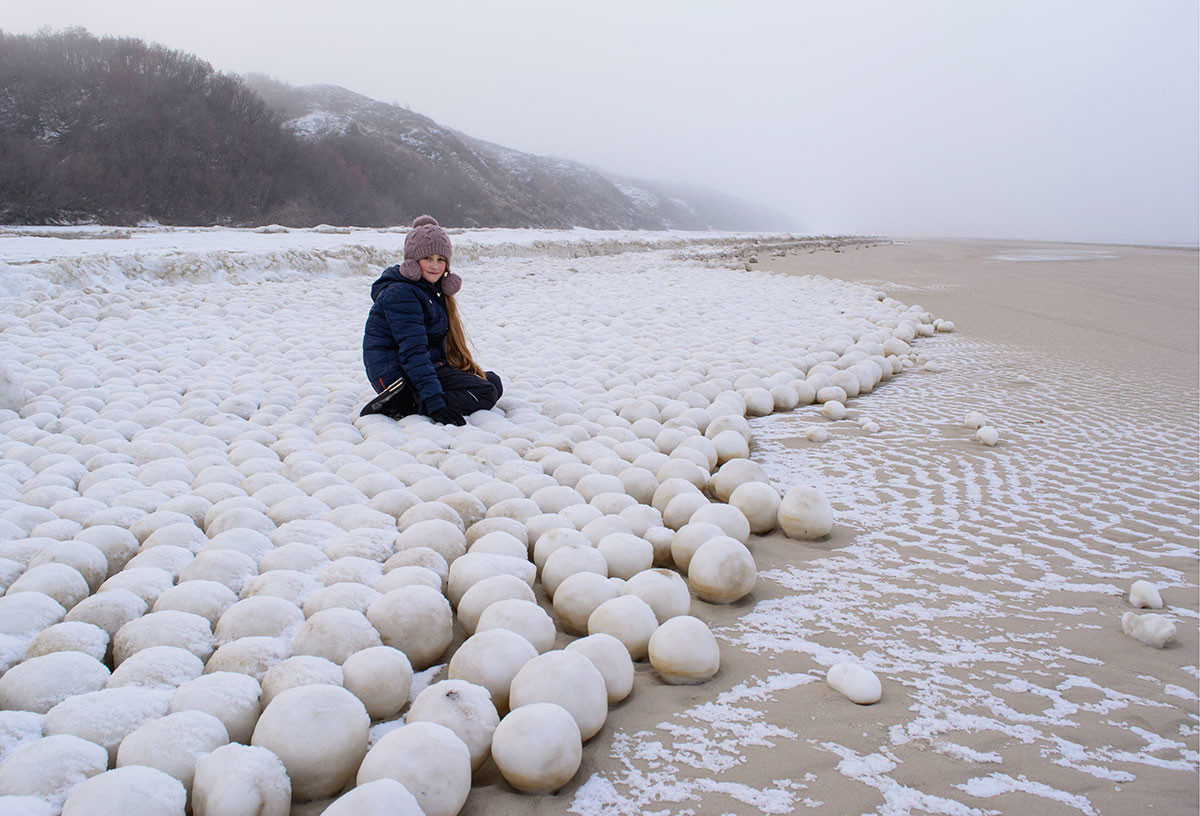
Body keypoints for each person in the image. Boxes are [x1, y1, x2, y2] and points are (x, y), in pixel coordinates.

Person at [362, 215, 502, 426]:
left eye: (441, 259)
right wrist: (436, 403)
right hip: (396, 376)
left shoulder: (428, 290)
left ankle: (423, 395)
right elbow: (413, 352)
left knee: (492, 381)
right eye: (427, 258)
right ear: (412, 262)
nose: (435, 266)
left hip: (421, 366)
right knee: (485, 392)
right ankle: (407, 403)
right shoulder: (402, 294)